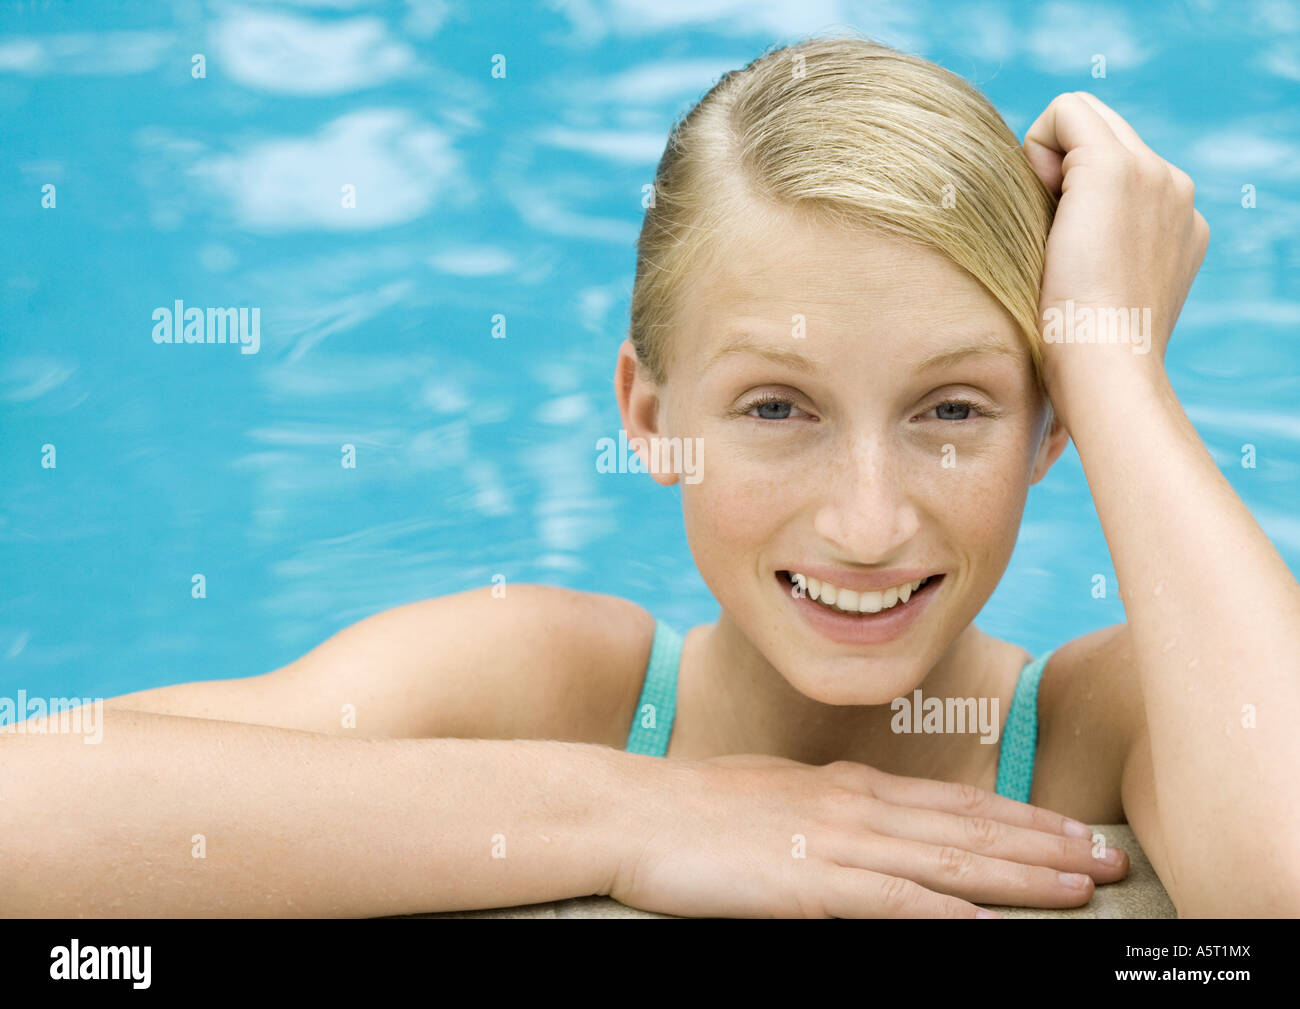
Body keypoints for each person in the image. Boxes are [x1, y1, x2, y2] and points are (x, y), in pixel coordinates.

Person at [6, 34, 1297, 919]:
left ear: (1049, 432)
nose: (865, 520)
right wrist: (638, 811)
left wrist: (1116, 367)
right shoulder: (556, 685)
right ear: (646, 408)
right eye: (776, 405)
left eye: (954, 408)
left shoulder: (1096, 727)